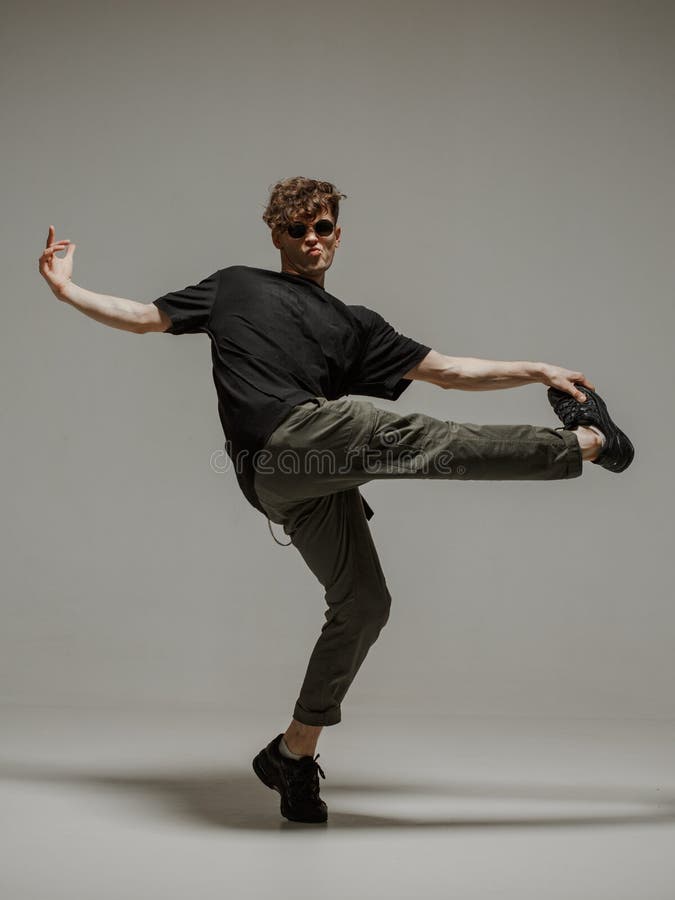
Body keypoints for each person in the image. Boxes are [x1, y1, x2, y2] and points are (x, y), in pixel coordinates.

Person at [38, 176, 634, 825]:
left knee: (364, 603)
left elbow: (449, 370)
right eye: (297, 230)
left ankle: (292, 756)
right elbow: (145, 317)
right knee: (403, 433)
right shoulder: (237, 285)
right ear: (276, 235)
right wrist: (69, 289)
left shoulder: (354, 326)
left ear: (336, 234)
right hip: (281, 444)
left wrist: (538, 370)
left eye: (322, 228)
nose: (311, 240)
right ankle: (586, 443)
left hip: (305, 473)